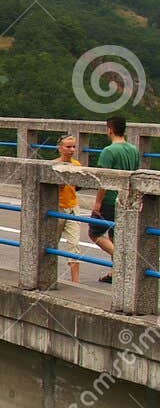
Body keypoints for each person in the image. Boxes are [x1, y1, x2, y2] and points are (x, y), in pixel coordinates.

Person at [92, 114, 141, 282]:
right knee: (115, 236)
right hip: (126, 199)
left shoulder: (109, 151)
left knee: (94, 233)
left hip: (109, 200)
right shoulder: (134, 150)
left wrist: (98, 202)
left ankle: (120, 260)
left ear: (110, 129)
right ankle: (115, 274)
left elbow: (103, 180)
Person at [49, 134, 86, 285]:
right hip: (56, 207)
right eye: (68, 147)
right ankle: (48, 276)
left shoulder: (77, 165)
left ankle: (75, 282)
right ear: (60, 148)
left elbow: (78, 186)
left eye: (73, 147)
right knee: (51, 243)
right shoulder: (52, 165)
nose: (71, 150)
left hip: (72, 208)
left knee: (74, 245)